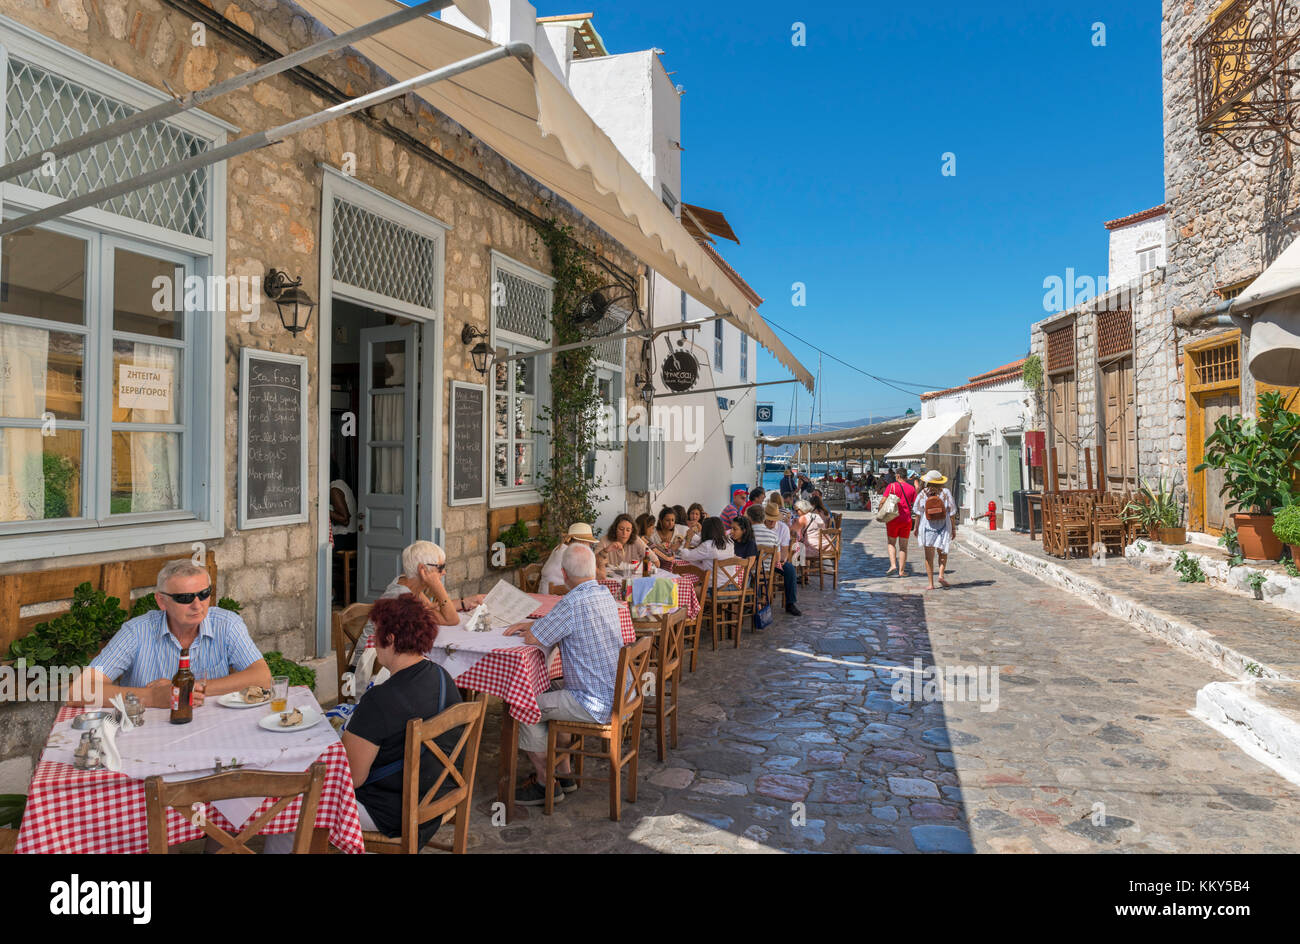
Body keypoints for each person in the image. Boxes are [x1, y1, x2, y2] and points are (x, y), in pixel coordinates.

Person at [504, 543, 624, 806]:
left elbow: (536, 637)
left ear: (564, 574)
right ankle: (565, 774)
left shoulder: (571, 602)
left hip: (592, 702)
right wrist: (537, 624)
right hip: (619, 695)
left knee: (522, 703)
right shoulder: (604, 594)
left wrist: (531, 627)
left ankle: (546, 782)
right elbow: (550, 627)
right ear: (592, 570)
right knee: (548, 688)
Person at [342, 594, 463, 845]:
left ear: (391, 639)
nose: (373, 643)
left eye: (375, 635)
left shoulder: (379, 700)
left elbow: (351, 778)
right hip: (439, 797)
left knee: (300, 805)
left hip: (394, 812)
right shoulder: (442, 676)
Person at [72, 559, 272, 707]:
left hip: (211, 727)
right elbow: (79, 691)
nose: (197, 605)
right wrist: (152, 697)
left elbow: (262, 676)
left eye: (204, 594)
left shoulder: (226, 624)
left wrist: (192, 689)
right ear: (161, 601)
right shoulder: (136, 631)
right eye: (184, 598)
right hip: (146, 732)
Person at [749, 503, 800, 616]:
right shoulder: (757, 528)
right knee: (754, 572)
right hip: (757, 564)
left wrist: (781, 561)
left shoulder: (783, 528)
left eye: (774, 520)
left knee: (790, 569)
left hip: (775, 561)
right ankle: (754, 602)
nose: (772, 522)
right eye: (769, 520)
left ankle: (790, 603)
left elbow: (784, 550)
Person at [913, 470, 958, 590]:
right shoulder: (946, 492)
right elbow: (952, 512)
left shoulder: (923, 493)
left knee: (929, 556)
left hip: (927, 526)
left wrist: (916, 527)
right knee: (942, 552)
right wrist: (953, 528)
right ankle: (941, 574)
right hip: (943, 526)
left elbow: (918, 512)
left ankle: (930, 583)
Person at [677, 516, 738, 587]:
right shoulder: (730, 542)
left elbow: (685, 556)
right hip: (734, 588)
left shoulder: (707, 546)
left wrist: (688, 539)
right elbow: (705, 544)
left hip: (714, 590)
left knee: (689, 590)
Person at [540, 522, 599, 593]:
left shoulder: (561, 547)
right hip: (554, 595)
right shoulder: (572, 553)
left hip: (544, 593)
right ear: (580, 541)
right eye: (588, 542)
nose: (589, 546)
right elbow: (599, 576)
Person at [882, 471, 917, 577]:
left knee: (891, 543)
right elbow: (914, 503)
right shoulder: (911, 489)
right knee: (903, 546)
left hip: (893, 518)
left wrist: (881, 509)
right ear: (906, 477)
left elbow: (883, 500)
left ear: (897, 476)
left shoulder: (891, 486)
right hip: (906, 520)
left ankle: (893, 565)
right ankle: (902, 571)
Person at [329, 460, 357, 552]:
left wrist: (322, 509)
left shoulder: (335, 489)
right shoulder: (341, 484)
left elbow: (345, 520)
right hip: (349, 537)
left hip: (345, 538)